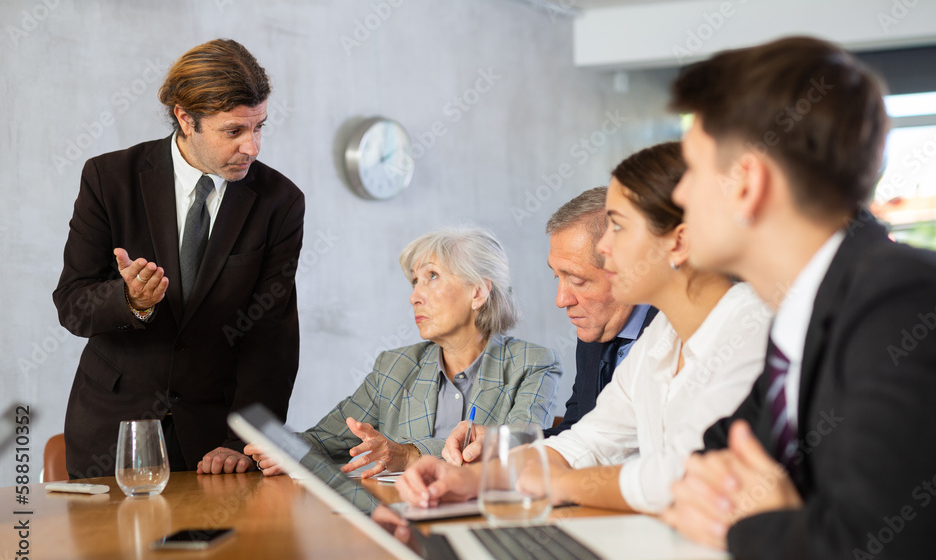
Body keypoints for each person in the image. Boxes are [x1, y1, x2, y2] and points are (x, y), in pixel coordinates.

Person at [660, 36, 936, 560]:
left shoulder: (905, 297)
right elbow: (714, 463)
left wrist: (748, 523)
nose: (680, 194)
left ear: (746, 183)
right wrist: (780, 517)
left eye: (691, 168)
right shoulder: (800, 316)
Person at [397, 142, 770, 513]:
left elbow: (686, 477)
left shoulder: (753, 329)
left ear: (678, 243)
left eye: (618, 227)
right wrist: (464, 480)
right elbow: (584, 443)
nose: (605, 247)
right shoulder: (662, 338)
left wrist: (558, 482)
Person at [53, 39, 304, 479]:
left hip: (215, 445)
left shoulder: (279, 202)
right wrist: (130, 300)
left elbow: (272, 343)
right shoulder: (108, 179)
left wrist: (243, 442)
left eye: (259, 127)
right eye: (234, 131)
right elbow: (72, 305)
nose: (253, 147)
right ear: (186, 119)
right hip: (111, 435)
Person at [247, 227, 562, 480]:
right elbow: (324, 439)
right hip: (400, 521)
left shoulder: (532, 364)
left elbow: (523, 444)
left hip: (494, 522)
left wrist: (410, 453)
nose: (414, 296)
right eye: (414, 281)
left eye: (432, 276)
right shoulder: (395, 366)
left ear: (477, 292)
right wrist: (274, 450)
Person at [443, 188, 658, 464]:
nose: (561, 300)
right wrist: (501, 443)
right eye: (558, 277)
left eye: (577, 280)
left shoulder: (678, 330)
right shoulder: (596, 333)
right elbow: (576, 433)